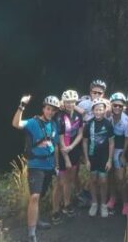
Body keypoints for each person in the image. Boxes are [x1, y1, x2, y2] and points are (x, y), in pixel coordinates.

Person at [12, 94, 60, 242]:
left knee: (41, 195)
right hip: (35, 165)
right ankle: (32, 232)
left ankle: (37, 221)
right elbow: (16, 124)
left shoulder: (53, 125)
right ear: (43, 108)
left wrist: (57, 165)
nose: (50, 112)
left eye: (53, 110)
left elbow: (56, 146)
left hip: (49, 165)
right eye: (48, 109)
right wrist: (21, 105)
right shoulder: (33, 122)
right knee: (35, 196)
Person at [51, 89, 83, 223]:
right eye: (67, 102)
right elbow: (61, 140)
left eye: (72, 102)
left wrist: (72, 147)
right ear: (63, 102)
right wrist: (66, 158)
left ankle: (67, 204)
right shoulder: (59, 117)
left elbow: (80, 133)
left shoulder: (78, 115)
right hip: (63, 152)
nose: (70, 104)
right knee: (60, 183)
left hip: (74, 149)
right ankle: (55, 210)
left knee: (69, 180)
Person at [83, 98, 115, 217]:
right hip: (92, 156)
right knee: (93, 180)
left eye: (101, 109)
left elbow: (112, 143)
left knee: (103, 181)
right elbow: (85, 142)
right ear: (93, 110)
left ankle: (103, 204)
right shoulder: (89, 124)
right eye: (96, 109)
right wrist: (86, 159)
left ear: (104, 110)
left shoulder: (108, 124)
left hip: (104, 157)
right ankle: (94, 203)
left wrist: (110, 160)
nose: (98, 112)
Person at [105, 92, 128, 216]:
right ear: (111, 105)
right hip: (108, 148)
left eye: (120, 106)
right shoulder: (108, 116)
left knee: (121, 178)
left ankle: (126, 203)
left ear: (123, 107)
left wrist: (123, 155)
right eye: (115, 105)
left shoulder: (126, 121)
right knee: (110, 176)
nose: (117, 108)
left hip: (120, 149)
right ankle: (113, 198)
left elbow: (127, 139)